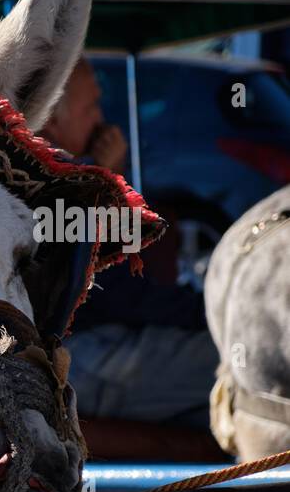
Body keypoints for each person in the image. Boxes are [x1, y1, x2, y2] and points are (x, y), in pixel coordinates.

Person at [39, 58, 218, 430]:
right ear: (54, 119)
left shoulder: (63, 178)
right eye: (91, 108)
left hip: (99, 341)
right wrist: (210, 316)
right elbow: (127, 289)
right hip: (81, 353)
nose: (101, 119)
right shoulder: (55, 189)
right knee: (234, 362)